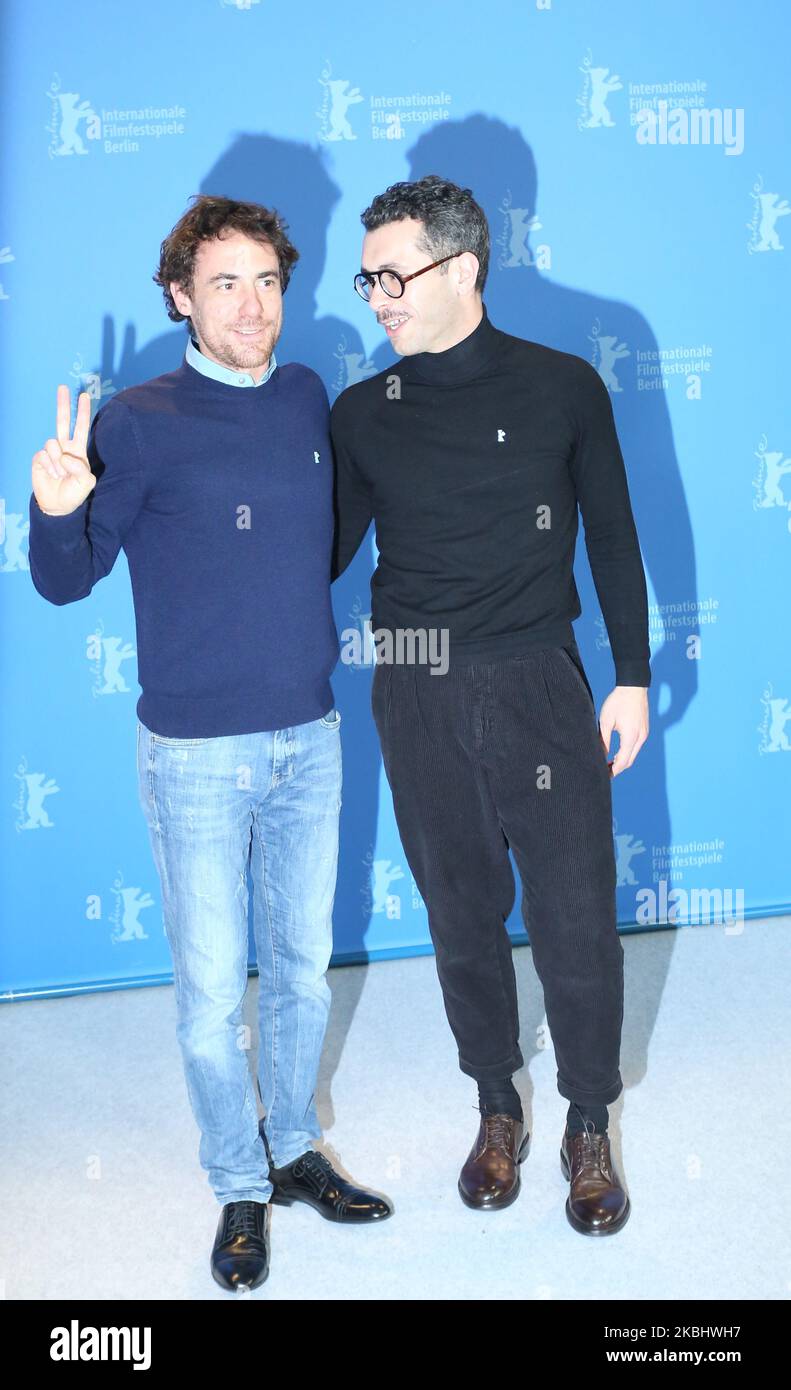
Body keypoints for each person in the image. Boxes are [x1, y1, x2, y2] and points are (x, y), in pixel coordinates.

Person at [28, 194, 392, 1294]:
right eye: (224, 283)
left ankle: (291, 1151)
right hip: (191, 755)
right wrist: (54, 507)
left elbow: (314, 546)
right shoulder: (135, 419)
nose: (251, 304)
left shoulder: (301, 397)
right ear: (180, 296)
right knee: (205, 1000)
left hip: (310, 738)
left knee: (297, 976)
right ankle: (237, 1181)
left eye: (268, 281)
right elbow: (64, 578)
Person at [330, 174, 650, 1236]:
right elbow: (317, 558)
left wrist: (633, 677)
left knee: (571, 917)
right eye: (366, 275)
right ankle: (495, 1105)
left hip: (534, 675)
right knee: (459, 914)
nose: (375, 295)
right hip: (414, 681)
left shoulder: (562, 387)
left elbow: (611, 535)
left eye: (394, 274)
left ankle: (588, 1120)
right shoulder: (360, 413)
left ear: (462, 268)